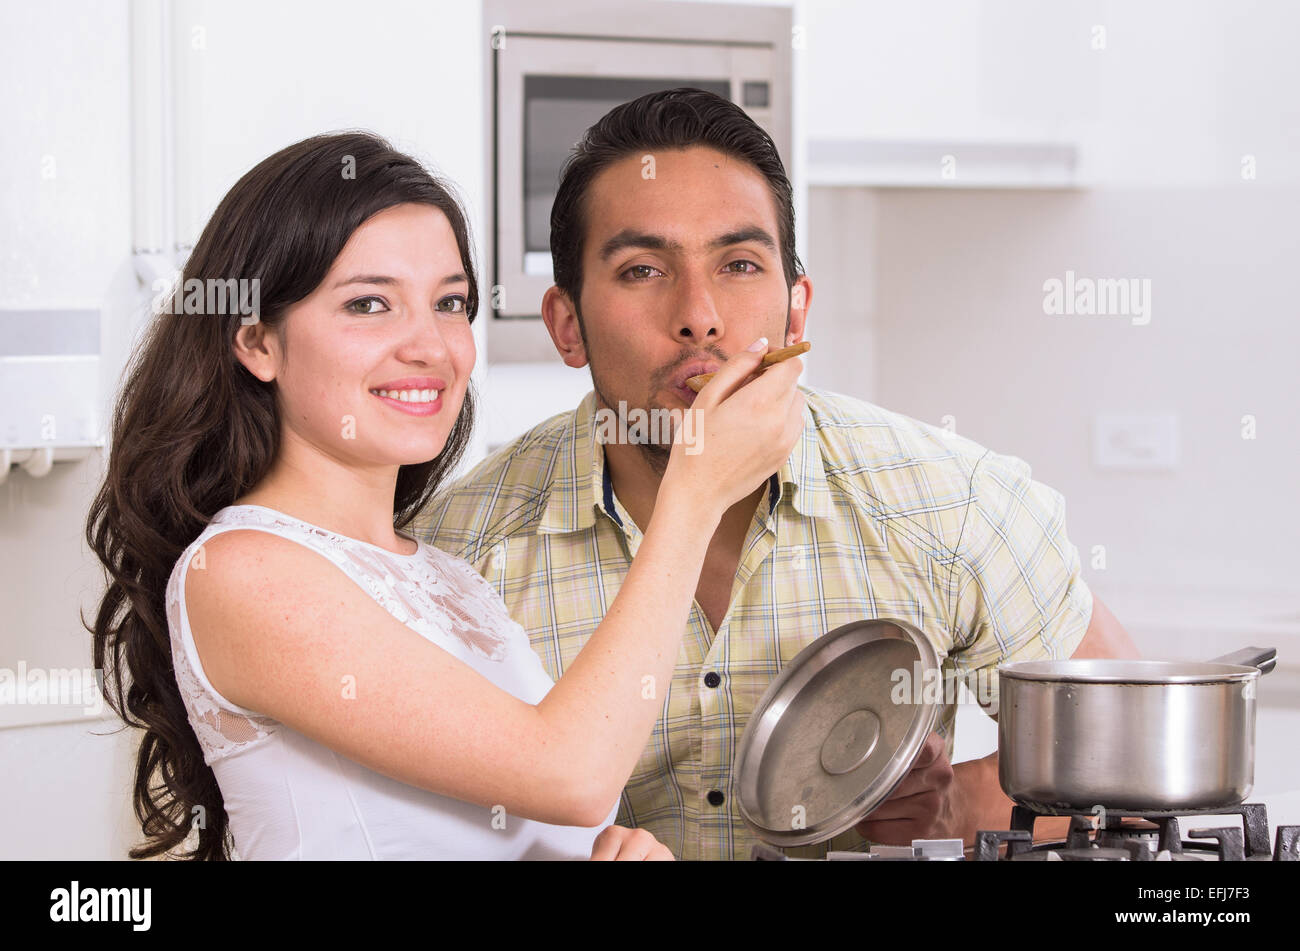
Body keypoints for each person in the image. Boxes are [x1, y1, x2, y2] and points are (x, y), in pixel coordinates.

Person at [414, 88, 1141, 861]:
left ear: (797, 313)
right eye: (642, 269)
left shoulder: (954, 504)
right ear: (566, 324)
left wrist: (953, 805)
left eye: (738, 263)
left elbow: (1124, 770)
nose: (700, 314)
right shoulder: (455, 557)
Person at [85, 130, 804, 860]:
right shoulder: (242, 571)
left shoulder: (454, 578)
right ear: (257, 341)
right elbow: (571, 771)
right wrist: (698, 490)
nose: (430, 345)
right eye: (369, 305)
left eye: (450, 302)